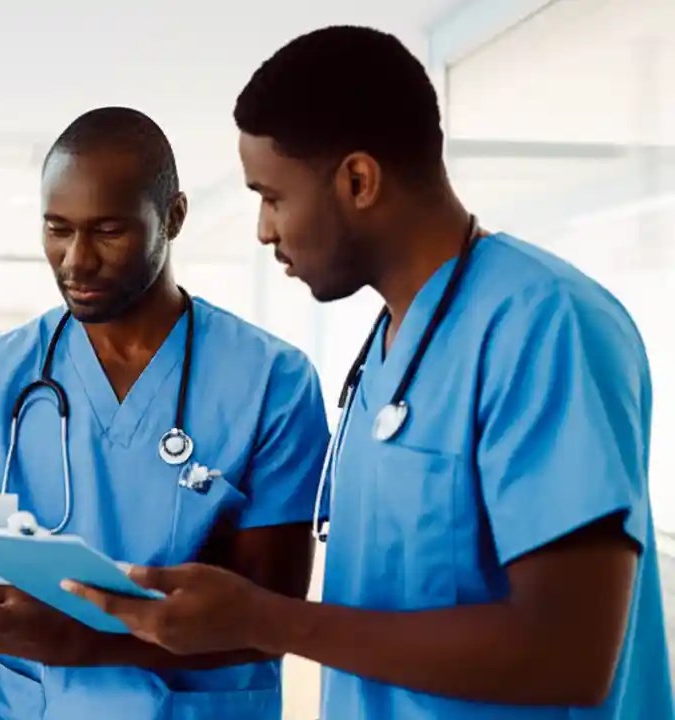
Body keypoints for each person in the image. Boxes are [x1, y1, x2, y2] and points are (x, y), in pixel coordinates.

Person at [65, 25, 675, 719]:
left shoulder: (544, 324)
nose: (264, 230)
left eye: (273, 197)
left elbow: (567, 653)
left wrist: (264, 618)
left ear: (358, 180)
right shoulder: (388, 352)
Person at [0, 107, 329, 719]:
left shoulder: (273, 380)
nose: (76, 261)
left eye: (108, 231)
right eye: (57, 229)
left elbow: (271, 618)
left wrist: (82, 641)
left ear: (174, 217)